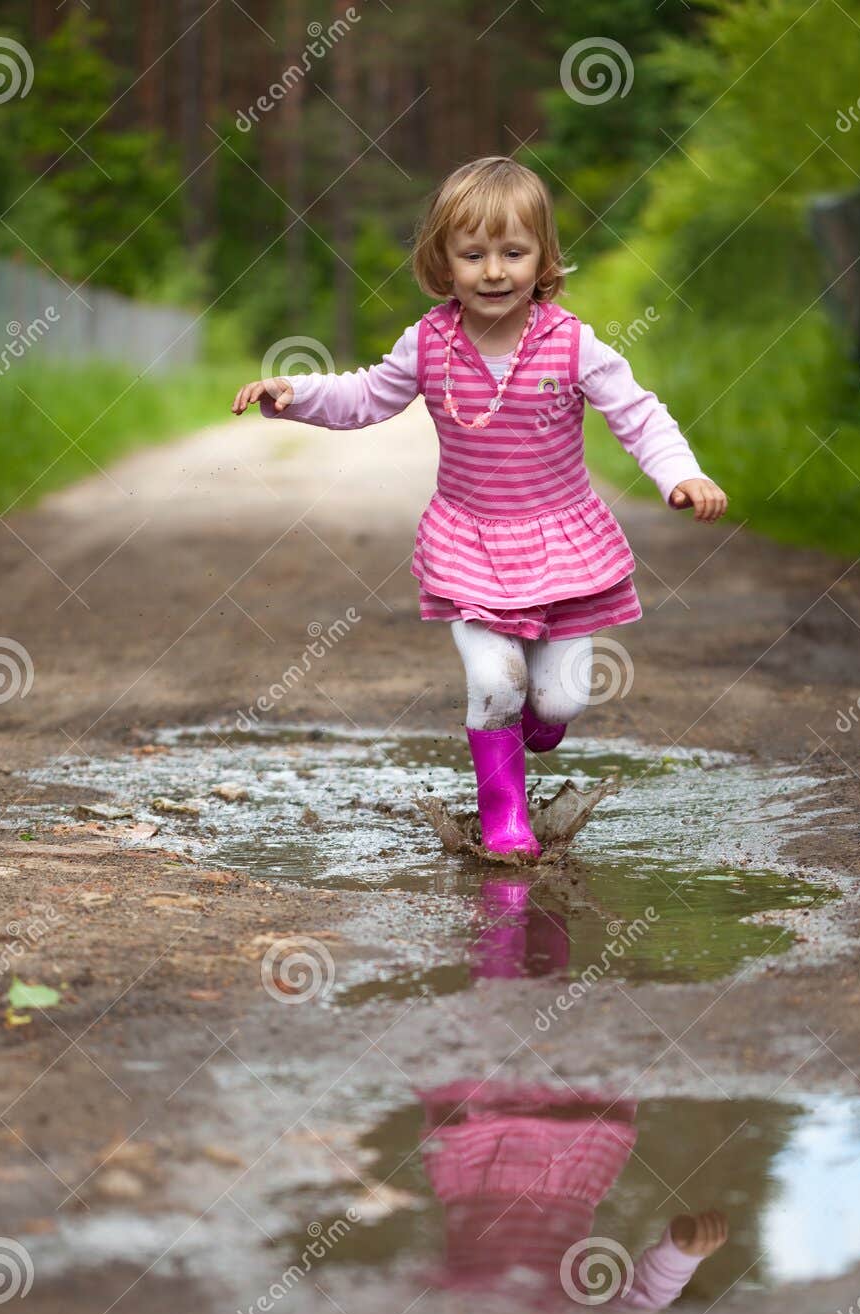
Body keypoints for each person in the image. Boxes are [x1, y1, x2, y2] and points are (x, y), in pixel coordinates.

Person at [233, 155, 727, 860]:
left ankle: (534, 730)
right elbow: (366, 395)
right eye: (473, 255)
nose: (493, 271)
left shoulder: (572, 344)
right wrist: (297, 394)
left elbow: (639, 415)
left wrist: (681, 474)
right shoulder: (428, 342)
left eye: (513, 253)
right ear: (444, 263)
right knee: (494, 683)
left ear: (542, 258)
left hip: (563, 545)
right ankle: (504, 818)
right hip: (470, 544)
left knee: (558, 704)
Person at [417, 1079, 728, 1310]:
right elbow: (641, 1300)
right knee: (578, 1067)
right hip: (568, 1166)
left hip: (477, 1171)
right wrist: (679, 1256)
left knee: (479, 1063)